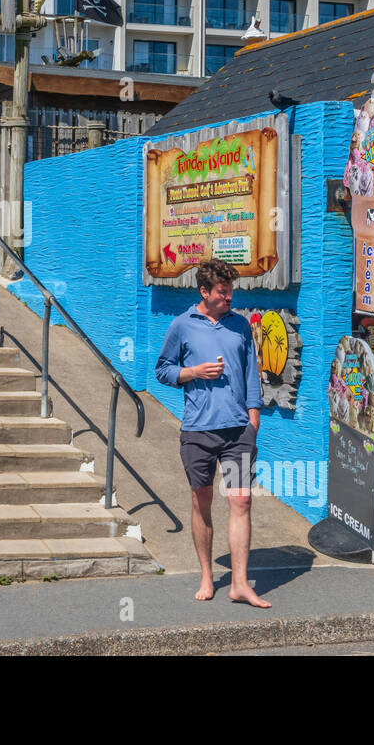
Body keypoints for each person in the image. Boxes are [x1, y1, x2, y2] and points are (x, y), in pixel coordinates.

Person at [154, 257, 268, 608]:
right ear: (204, 291)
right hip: (198, 431)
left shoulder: (240, 325)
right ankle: (206, 574)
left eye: (231, 290)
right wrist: (193, 372)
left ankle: (239, 583)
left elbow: (251, 371)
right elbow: (162, 371)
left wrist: (253, 416)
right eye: (222, 291)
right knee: (201, 501)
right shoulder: (182, 326)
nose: (229, 297)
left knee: (242, 501)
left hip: (237, 432)